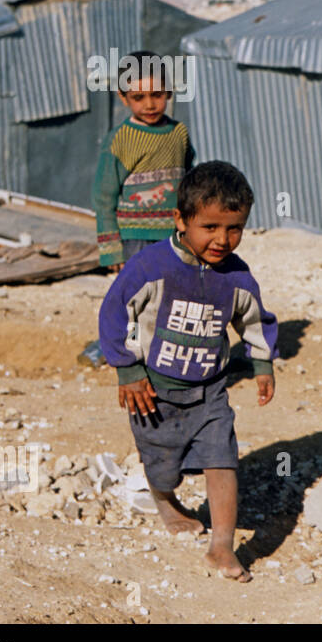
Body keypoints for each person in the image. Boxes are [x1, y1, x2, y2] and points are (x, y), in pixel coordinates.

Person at [98, 161, 278, 582]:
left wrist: (262, 363)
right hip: (153, 390)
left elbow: (254, 320)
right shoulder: (150, 267)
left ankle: (222, 547)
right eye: (210, 227)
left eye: (234, 228)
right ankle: (164, 501)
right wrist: (127, 370)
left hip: (210, 391)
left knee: (223, 461)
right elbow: (113, 314)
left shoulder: (236, 276)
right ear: (180, 220)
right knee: (163, 468)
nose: (222, 240)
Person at [92, 50, 195, 271]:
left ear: (169, 91)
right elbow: (103, 199)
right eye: (138, 97)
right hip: (135, 239)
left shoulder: (179, 133)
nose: (149, 105)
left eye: (156, 94)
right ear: (123, 96)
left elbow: (190, 181)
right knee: (141, 295)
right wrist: (111, 250)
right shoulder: (119, 140)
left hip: (176, 235)